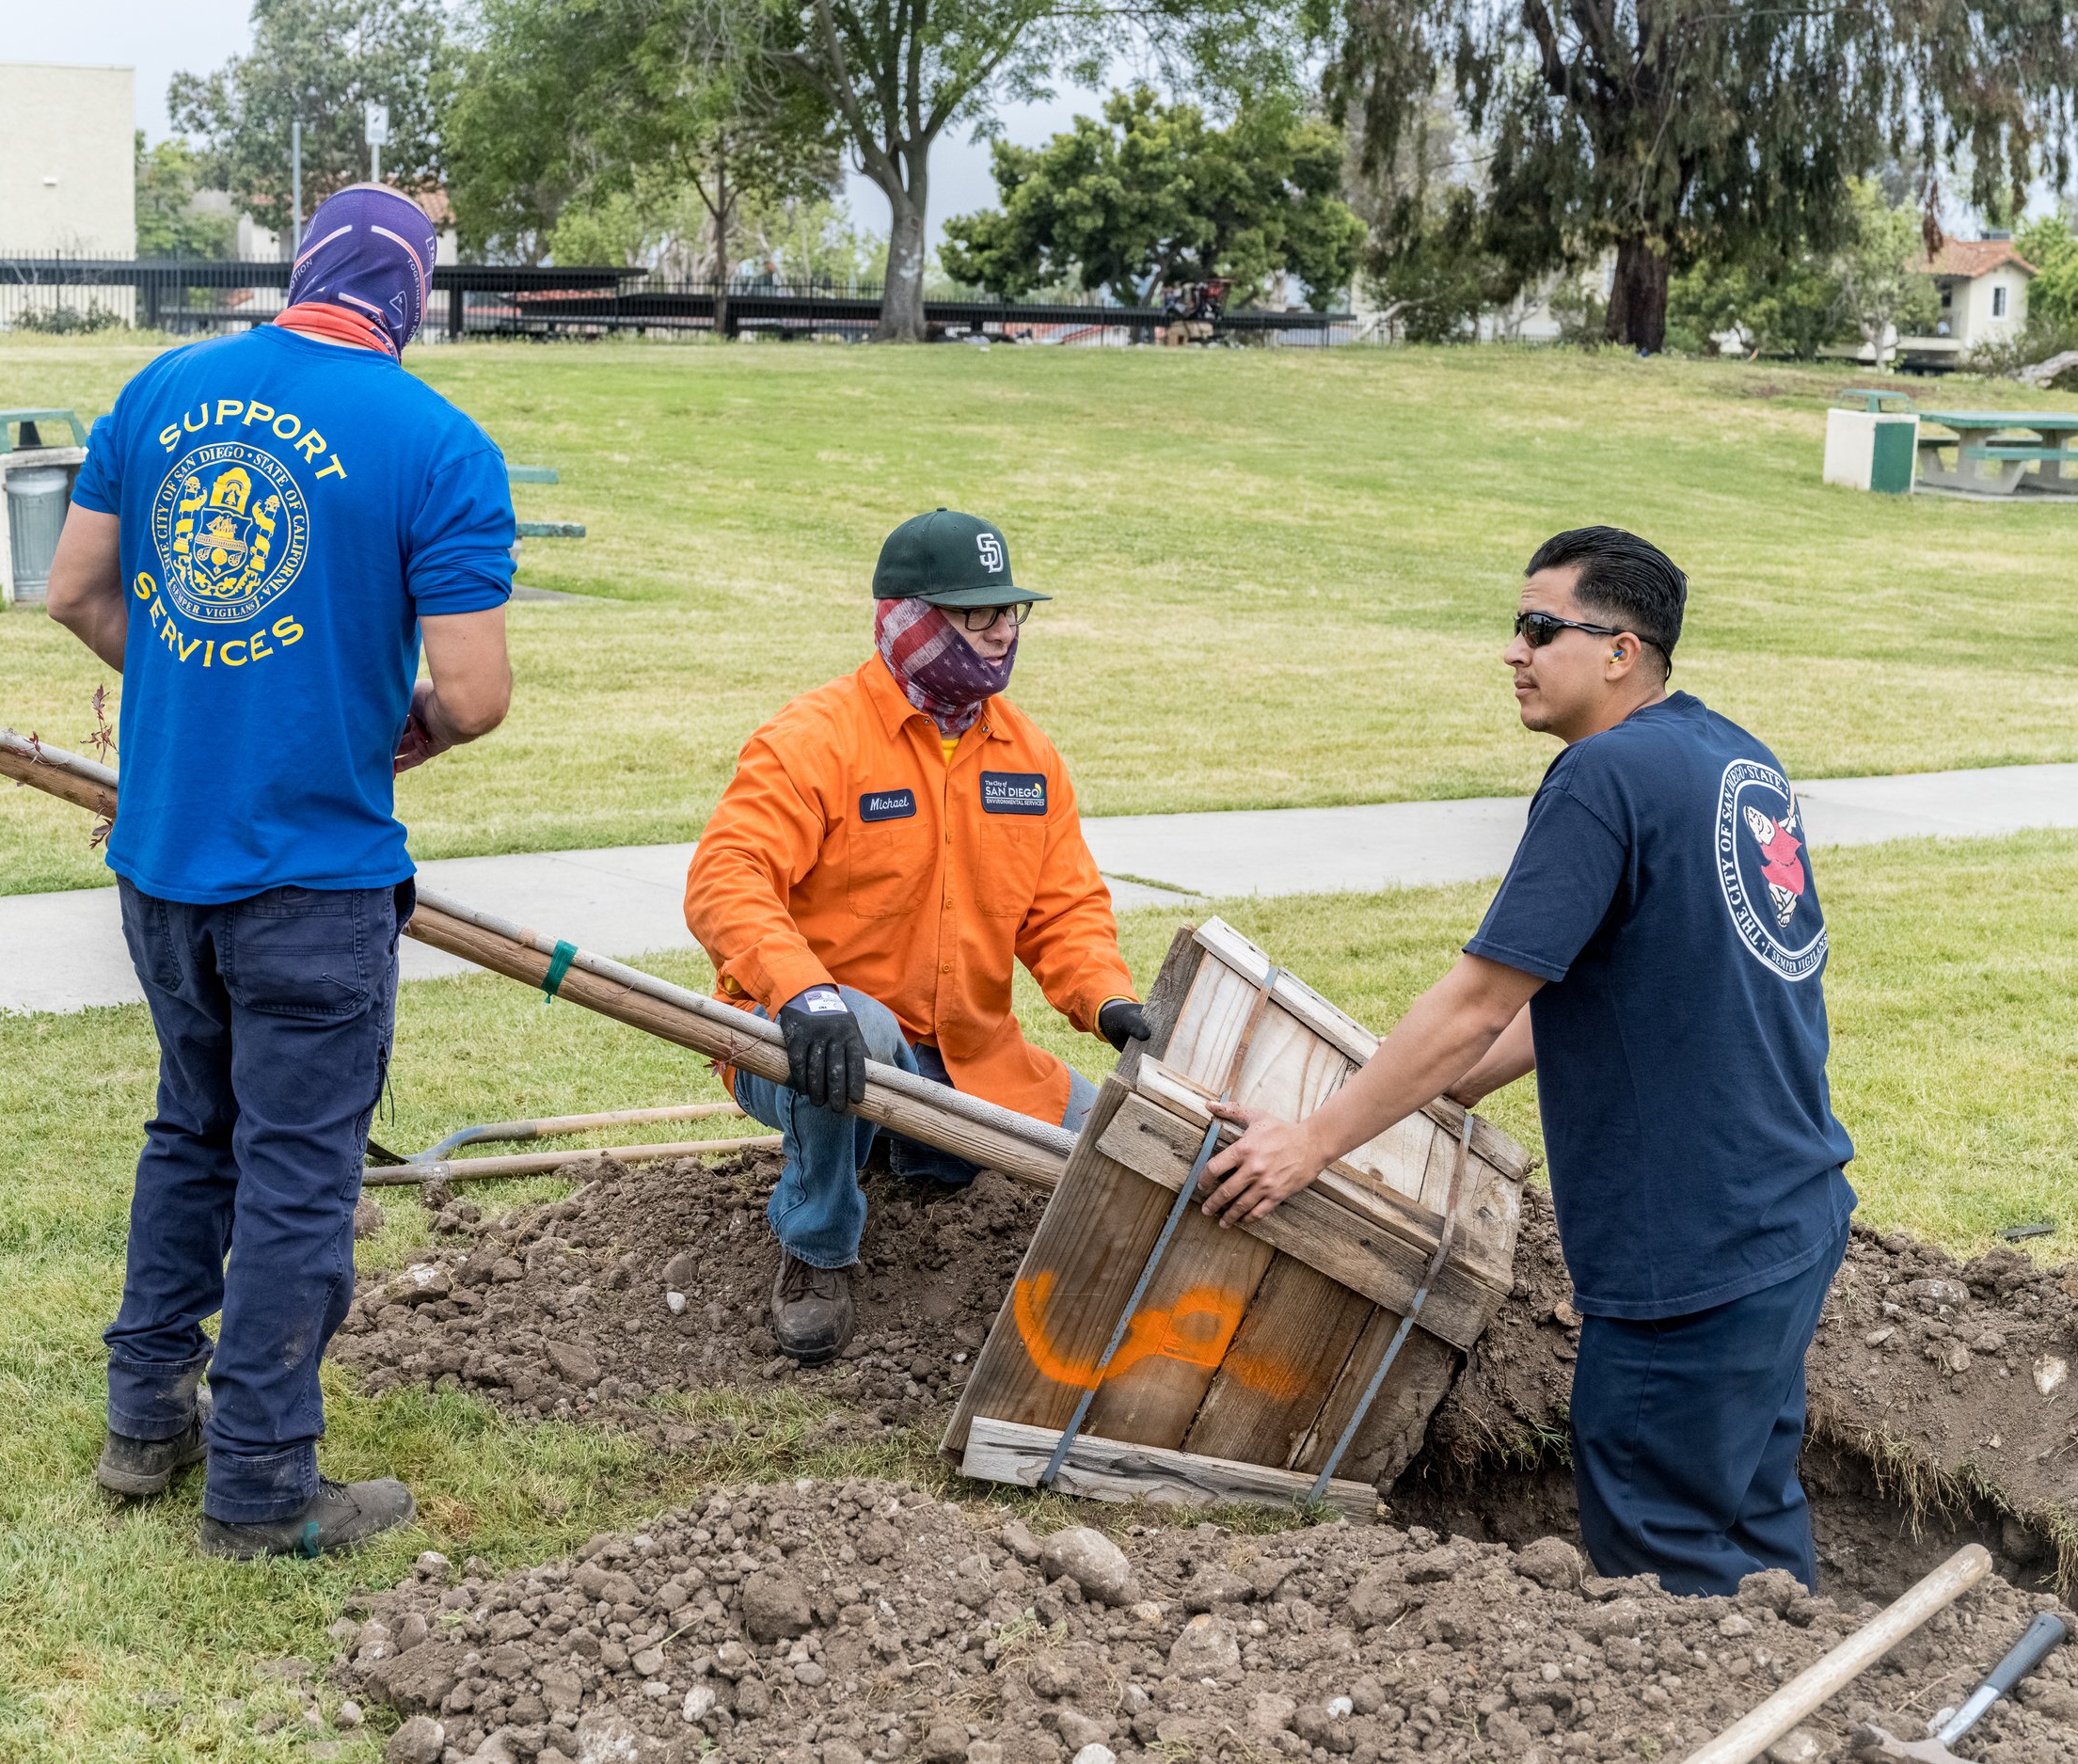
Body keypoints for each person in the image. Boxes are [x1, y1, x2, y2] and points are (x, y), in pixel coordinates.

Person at [1199, 526, 1854, 1597]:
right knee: (1752, 1529)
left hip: (1683, 1248)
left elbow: (1476, 1000)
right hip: (1787, 1215)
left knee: (1662, 1551)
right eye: (1517, 626)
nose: (1514, 650)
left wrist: (1309, 1143)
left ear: (1619, 651)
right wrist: (1451, 1086)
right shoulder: (1728, 757)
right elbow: (1625, 974)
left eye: (1541, 627)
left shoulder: (1600, 778)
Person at [45, 185, 517, 1559]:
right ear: (411, 299)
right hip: (313, 881)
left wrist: (204, 700)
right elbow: (475, 693)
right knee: (300, 1175)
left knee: (190, 1129)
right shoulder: (438, 442)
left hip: (164, 864)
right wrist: (387, 729)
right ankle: (260, 1484)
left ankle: (145, 1424)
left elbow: (77, 591)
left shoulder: (162, 386)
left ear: (300, 267)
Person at [685, 509, 1150, 1364]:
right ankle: (817, 1245)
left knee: (1114, 1155)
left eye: (1011, 612)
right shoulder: (813, 740)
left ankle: (918, 1148)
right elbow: (726, 878)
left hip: (968, 1051)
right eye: (979, 614)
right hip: (802, 1037)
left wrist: (1107, 999)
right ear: (911, 618)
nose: (1003, 629)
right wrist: (802, 989)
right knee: (855, 1034)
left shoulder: (1027, 756)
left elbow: (1064, 908)